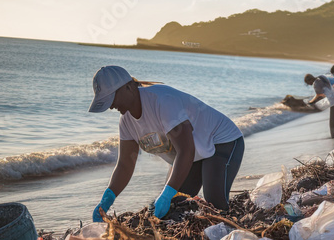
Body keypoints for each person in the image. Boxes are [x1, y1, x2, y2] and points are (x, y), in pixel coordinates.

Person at [88, 66, 244, 221]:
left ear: (128, 87)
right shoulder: (126, 122)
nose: (110, 106)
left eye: (112, 97)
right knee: (172, 206)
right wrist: (106, 200)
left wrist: (167, 193)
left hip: (222, 141)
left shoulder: (162, 101)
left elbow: (185, 150)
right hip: (194, 153)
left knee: (214, 206)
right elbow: (124, 164)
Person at [305, 72, 334, 138]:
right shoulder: (321, 77)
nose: (309, 84)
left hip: (333, 101)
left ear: (309, 80)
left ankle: (333, 136)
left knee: (332, 121)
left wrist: (311, 102)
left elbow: (319, 95)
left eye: (308, 83)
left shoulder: (315, 84)